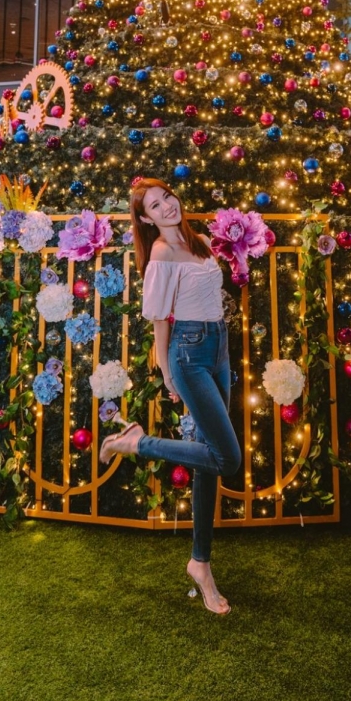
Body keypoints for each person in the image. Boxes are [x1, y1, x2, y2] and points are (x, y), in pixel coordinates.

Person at [99, 177, 241, 615]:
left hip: (218, 348)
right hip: (189, 352)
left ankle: (200, 564)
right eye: (154, 206)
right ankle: (135, 443)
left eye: (167, 198)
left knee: (208, 462)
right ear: (144, 218)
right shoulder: (160, 253)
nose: (166, 207)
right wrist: (167, 370)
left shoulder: (197, 242)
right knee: (227, 459)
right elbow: (160, 318)